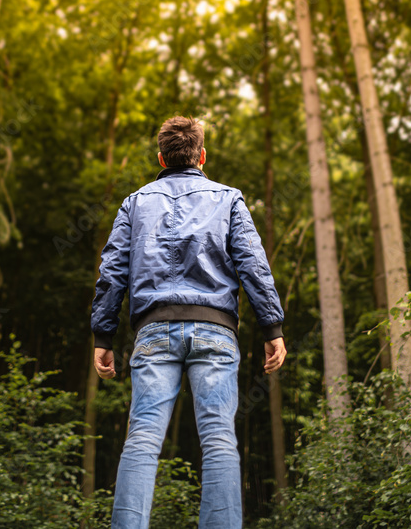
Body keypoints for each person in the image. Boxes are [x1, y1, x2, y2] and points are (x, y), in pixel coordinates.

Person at [90, 115, 287, 529]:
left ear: (162, 157)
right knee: (218, 439)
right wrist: (272, 327)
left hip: (152, 331)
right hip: (215, 331)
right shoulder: (229, 199)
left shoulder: (136, 202)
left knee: (142, 438)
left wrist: (102, 335)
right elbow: (253, 264)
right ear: (202, 156)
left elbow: (111, 273)